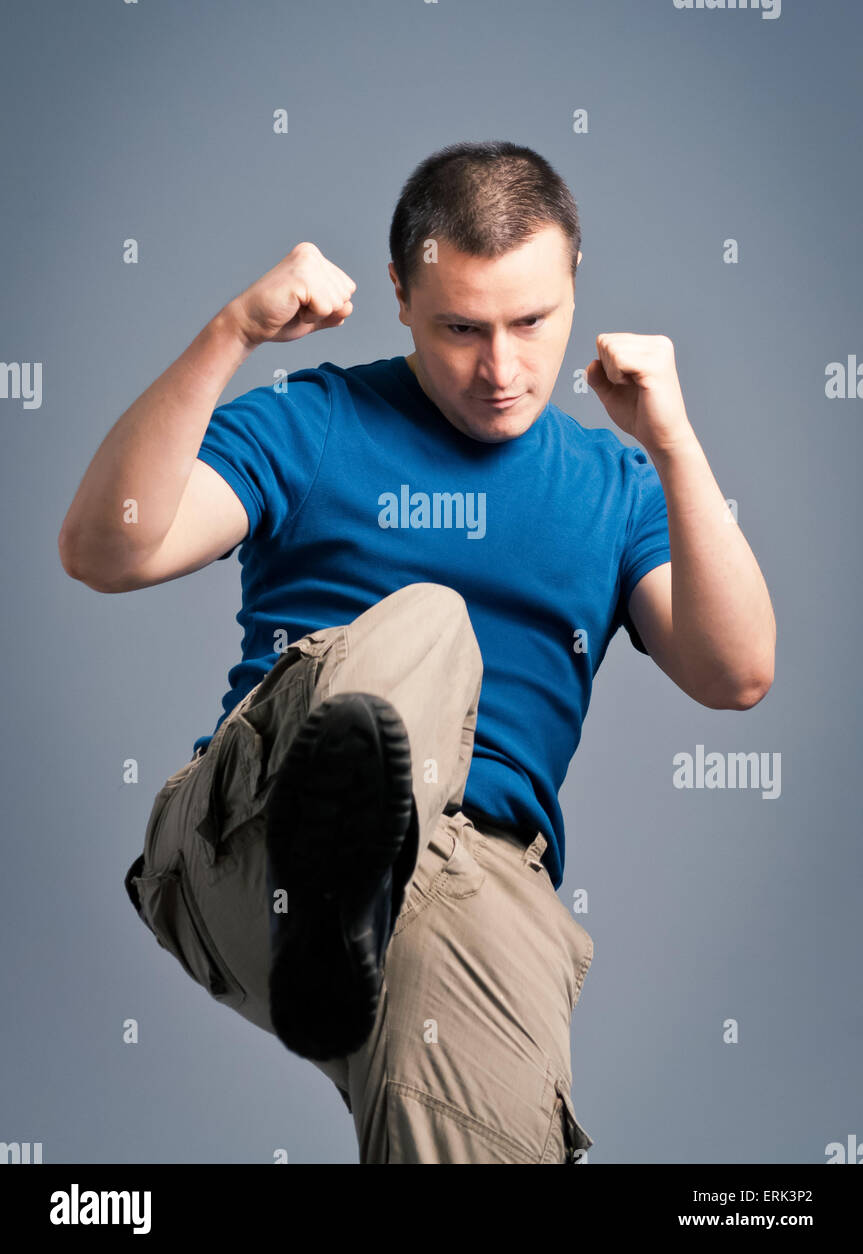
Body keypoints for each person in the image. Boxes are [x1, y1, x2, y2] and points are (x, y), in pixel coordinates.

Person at [57, 140, 776, 1164]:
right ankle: (328, 885)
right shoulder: (313, 421)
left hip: (471, 891)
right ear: (398, 294)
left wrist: (673, 443)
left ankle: (355, 921)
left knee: (484, 1123)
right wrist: (229, 334)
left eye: (530, 323)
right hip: (251, 835)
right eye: (460, 329)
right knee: (430, 626)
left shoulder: (614, 485)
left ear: (574, 278)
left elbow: (735, 672)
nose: (501, 369)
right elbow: (105, 548)